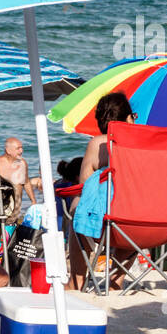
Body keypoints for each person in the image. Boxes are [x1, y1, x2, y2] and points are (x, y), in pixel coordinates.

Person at [70, 91, 138, 289]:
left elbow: (84, 186)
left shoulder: (98, 143)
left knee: (77, 206)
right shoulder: (147, 144)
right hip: (150, 227)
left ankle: (77, 279)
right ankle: (117, 277)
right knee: (134, 211)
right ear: (128, 118)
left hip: (109, 225)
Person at [0, 136, 36, 206]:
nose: (21, 151)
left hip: (17, 207)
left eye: (22, 148)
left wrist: (33, 201)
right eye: (18, 148)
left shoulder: (22, 163)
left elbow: (26, 183)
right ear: (8, 151)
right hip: (2, 206)